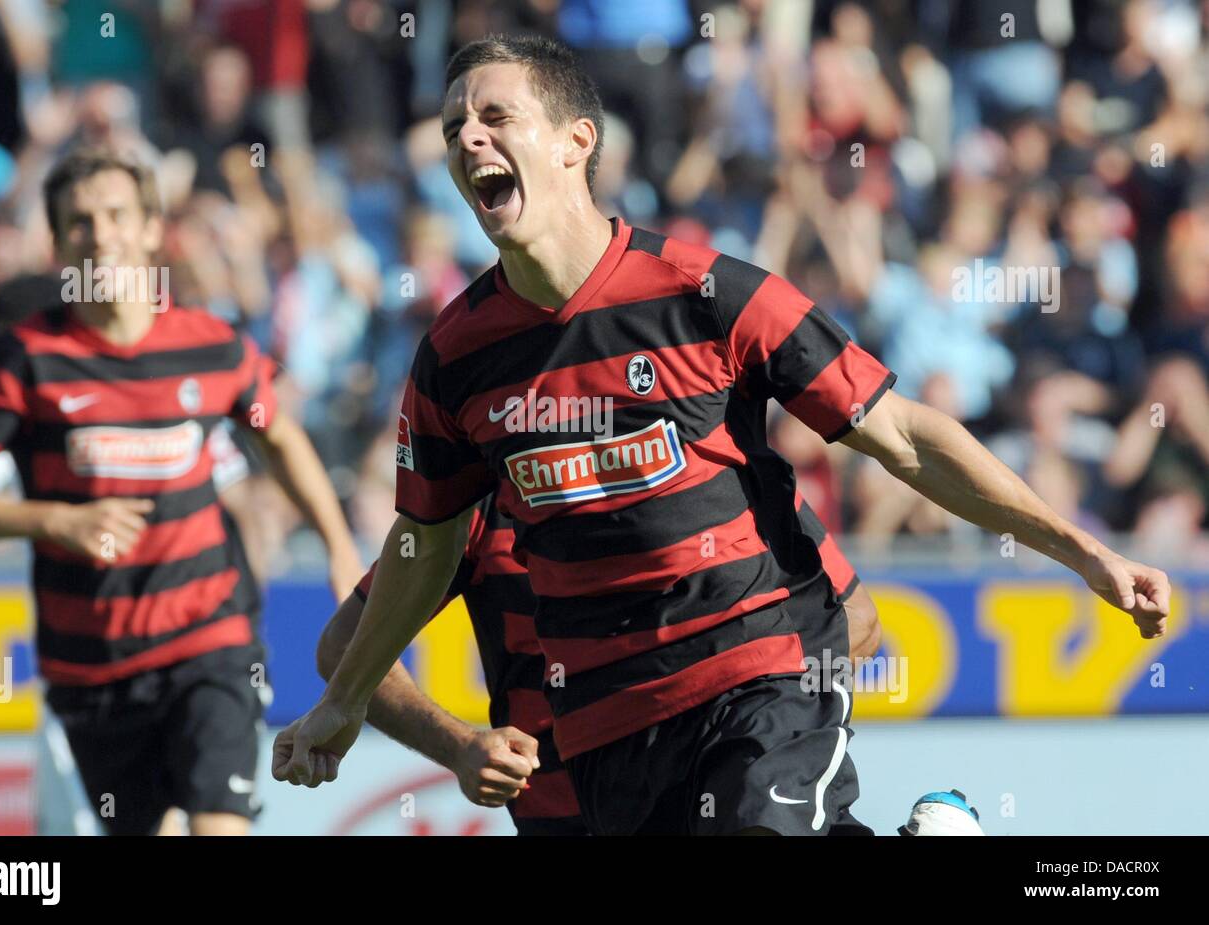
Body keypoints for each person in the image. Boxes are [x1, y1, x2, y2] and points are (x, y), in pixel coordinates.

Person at [275, 36, 1168, 836]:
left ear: (575, 141)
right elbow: (422, 545)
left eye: (496, 115)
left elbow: (902, 436)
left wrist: (1085, 553)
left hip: (759, 680)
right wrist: (347, 703)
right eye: (453, 126)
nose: (468, 137)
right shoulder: (454, 359)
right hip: (603, 735)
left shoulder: (711, 293)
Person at [0, 147, 363, 836]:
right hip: (92, 666)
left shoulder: (211, 345)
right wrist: (52, 521)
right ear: (59, 240)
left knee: (221, 822)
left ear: (152, 228)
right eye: (81, 222)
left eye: (118, 215)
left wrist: (337, 545)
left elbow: (278, 435)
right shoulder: (23, 359)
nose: (101, 236)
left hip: (209, 637)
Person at [297, 487, 879, 835]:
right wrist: (456, 745)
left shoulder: (722, 464)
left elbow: (859, 621)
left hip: (717, 780)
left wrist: (746, 696)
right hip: (567, 816)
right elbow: (343, 647)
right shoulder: (480, 505)